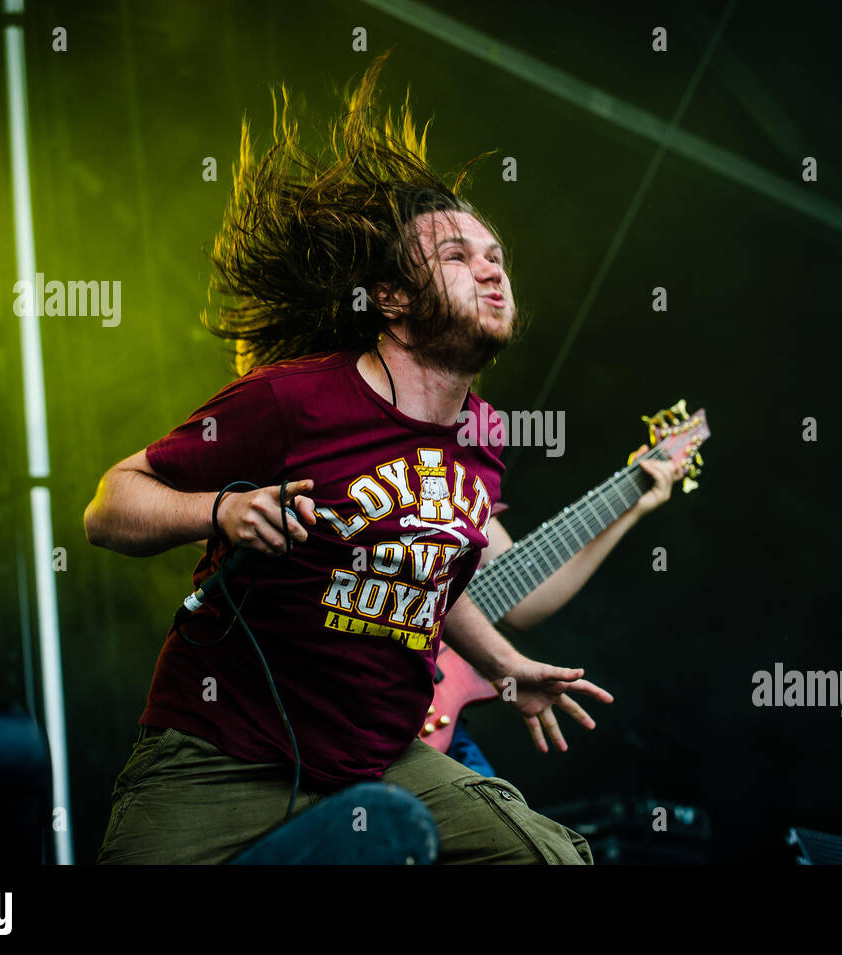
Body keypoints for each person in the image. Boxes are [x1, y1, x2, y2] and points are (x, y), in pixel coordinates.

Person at [83, 51, 683, 864]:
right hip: (224, 757)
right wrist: (218, 509)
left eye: (497, 256)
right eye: (458, 257)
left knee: (557, 857)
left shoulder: (483, 435)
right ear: (393, 302)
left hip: (383, 760)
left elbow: (436, 580)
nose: (492, 268)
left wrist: (507, 668)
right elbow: (111, 504)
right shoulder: (292, 400)